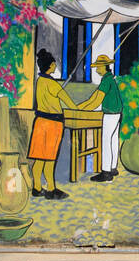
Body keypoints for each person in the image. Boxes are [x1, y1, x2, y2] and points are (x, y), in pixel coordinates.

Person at [29, 49, 103, 199]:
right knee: (49, 159)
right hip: (52, 123)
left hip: (40, 122)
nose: (56, 67)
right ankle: (51, 189)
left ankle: (37, 187)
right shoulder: (52, 84)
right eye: (54, 65)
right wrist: (81, 107)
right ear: (49, 66)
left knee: (39, 158)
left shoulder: (40, 81)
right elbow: (69, 102)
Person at [89, 55, 124, 183]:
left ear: (104, 67)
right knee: (113, 139)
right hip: (117, 112)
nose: (97, 69)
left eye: (98, 66)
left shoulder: (106, 80)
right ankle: (113, 168)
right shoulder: (109, 79)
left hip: (111, 113)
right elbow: (96, 97)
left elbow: (97, 99)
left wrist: (83, 108)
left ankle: (106, 172)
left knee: (106, 140)